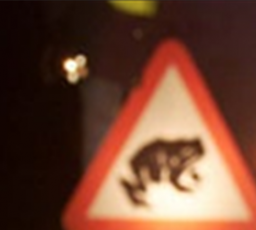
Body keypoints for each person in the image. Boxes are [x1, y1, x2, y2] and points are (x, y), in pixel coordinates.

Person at [45, 1, 168, 169]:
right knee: (101, 139)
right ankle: (100, 187)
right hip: (105, 37)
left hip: (151, 38)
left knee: (156, 130)